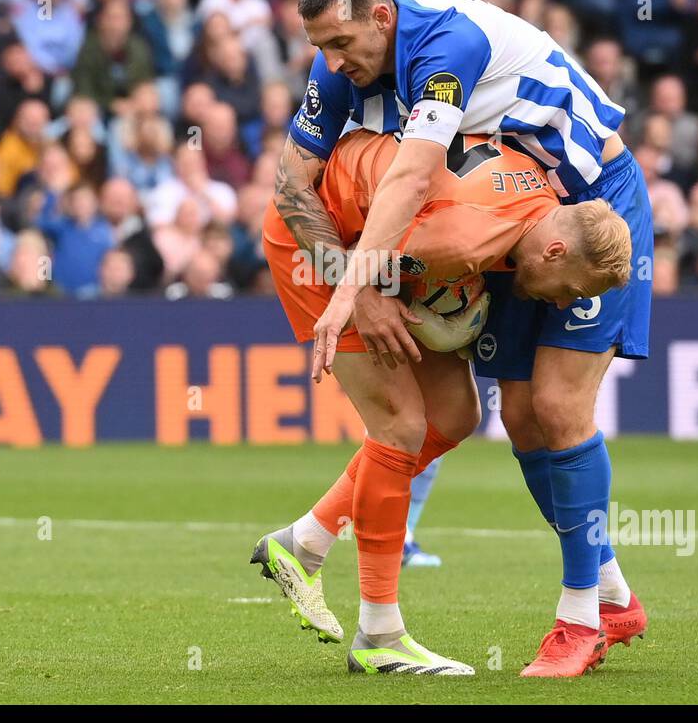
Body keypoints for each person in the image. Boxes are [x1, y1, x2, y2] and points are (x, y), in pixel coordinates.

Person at [284, 0, 652, 677]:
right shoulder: (339, 70)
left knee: (556, 404)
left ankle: (581, 617)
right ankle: (611, 592)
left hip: (587, 213)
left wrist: (355, 283)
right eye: (318, 47)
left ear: (382, 16)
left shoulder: (446, 48)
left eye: (341, 44)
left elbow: (414, 175)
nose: (330, 62)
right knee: (518, 414)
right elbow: (288, 182)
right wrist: (356, 285)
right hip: (513, 218)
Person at [254, 126, 632, 675]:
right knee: (401, 425)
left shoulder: (538, 201)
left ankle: (305, 541)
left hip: (372, 230)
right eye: (571, 289)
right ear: (555, 250)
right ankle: (380, 633)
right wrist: (366, 293)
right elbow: (372, 253)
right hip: (316, 239)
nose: (562, 303)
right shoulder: (460, 243)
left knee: (455, 415)